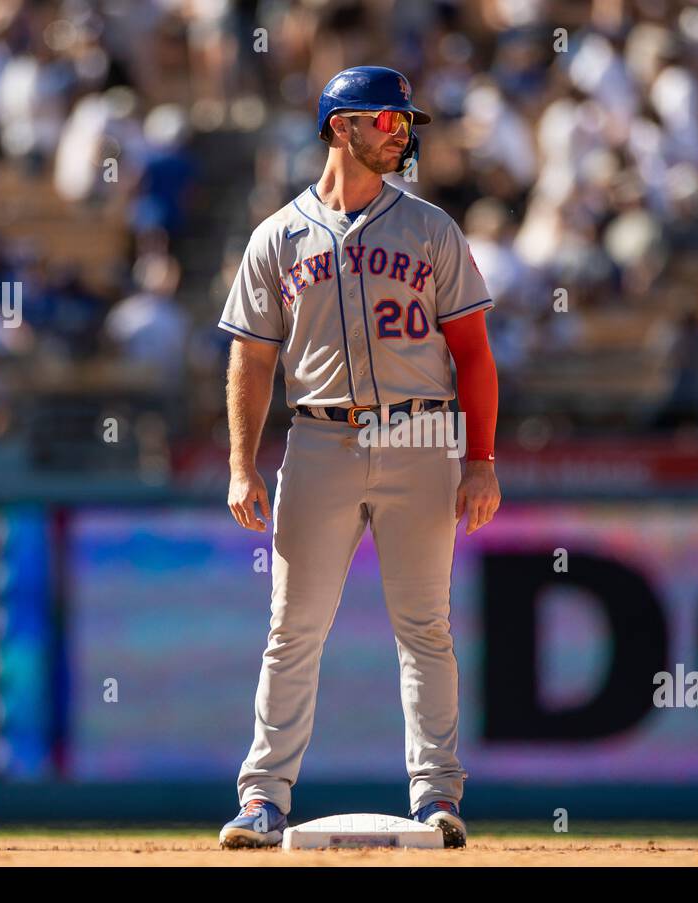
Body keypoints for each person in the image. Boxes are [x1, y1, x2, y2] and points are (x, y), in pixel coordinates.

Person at [216, 66, 500, 849]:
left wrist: (481, 457)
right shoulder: (278, 235)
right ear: (341, 127)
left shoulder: (431, 228)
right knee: (293, 629)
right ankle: (262, 799)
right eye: (388, 119)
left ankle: (438, 795)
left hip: (419, 432)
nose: (402, 132)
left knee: (425, 626)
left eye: (406, 121)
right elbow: (251, 359)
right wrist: (242, 463)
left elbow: (474, 354)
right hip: (321, 435)